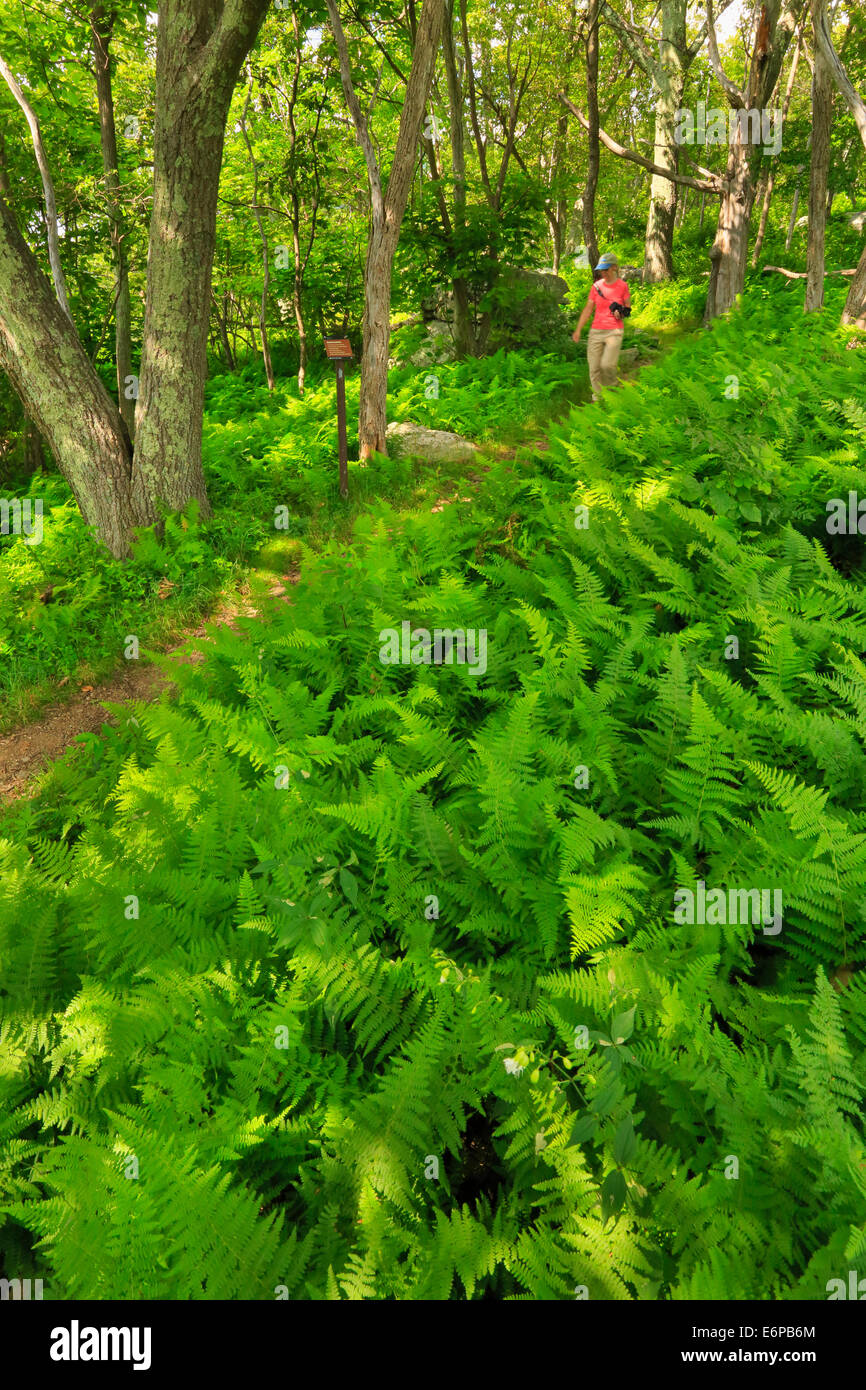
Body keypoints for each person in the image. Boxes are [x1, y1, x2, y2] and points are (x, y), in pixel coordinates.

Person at [572, 253, 631, 402]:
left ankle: (613, 392)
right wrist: (578, 329)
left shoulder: (622, 286)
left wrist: (621, 313)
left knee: (607, 366)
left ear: (615, 267)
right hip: (596, 331)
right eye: (601, 270)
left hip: (614, 330)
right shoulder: (596, 287)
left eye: (606, 269)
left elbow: (628, 308)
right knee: (594, 369)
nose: (603, 273)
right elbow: (588, 309)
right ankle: (599, 400)